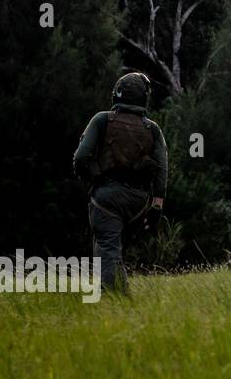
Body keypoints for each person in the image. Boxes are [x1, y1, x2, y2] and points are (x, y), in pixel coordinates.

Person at [72, 72, 168, 292]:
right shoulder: (153, 129)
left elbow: (80, 157)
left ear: (117, 94)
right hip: (139, 203)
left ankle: (112, 301)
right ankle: (122, 300)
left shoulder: (102, 119)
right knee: (113, 250)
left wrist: (88, 179)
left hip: (107, 199)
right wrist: (157, 207)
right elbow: (162, 169)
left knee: (106, 246)